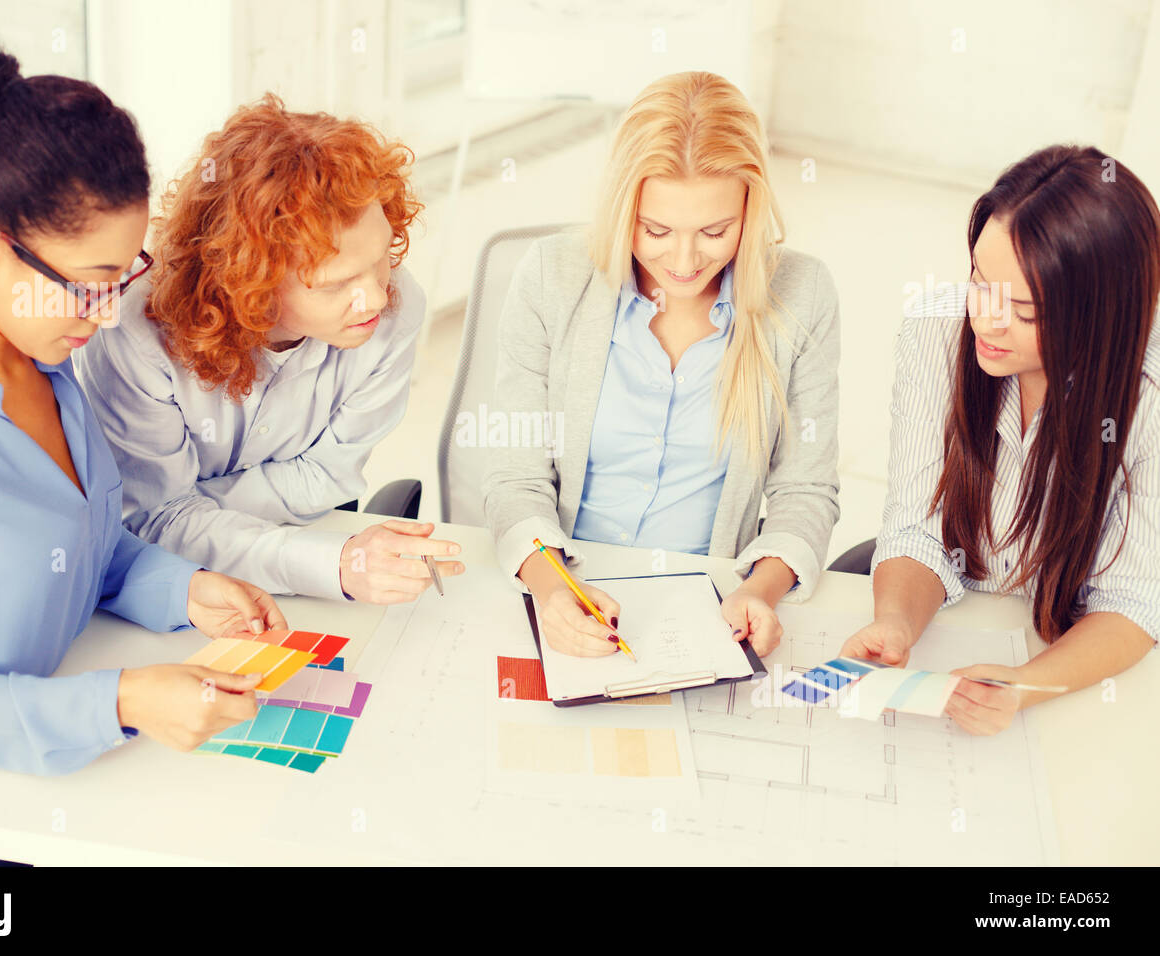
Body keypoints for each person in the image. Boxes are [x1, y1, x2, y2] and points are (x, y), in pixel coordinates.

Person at [0, 43, 289, 837]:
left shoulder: (45, 361)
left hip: (51, 769)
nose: (107, 314)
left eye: (121, 280)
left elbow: (81, 544)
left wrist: (184, 588)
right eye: (89, 284)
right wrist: (122, 700)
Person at [483, 71, 840, 658]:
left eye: (715, 231)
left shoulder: (802, 294)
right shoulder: (551, 276)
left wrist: (761, 591)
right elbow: (514, 475)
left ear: (751, 212)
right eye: (655, 229)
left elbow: (805, 489)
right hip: (569, 585)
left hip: (709, 604)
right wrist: (555, 592)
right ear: (624, 208)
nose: (682, 260)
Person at [73, 95, 463, 605]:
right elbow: (150, 522)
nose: (374, 297)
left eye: (381, 259)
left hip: (305, 547)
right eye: (333, 284)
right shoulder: (135, 330)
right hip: (177, 586)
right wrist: (330, 563)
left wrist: (193, 509)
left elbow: (326, 478)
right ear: (249, 282)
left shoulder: (397, 306)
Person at [844, 145, 1160, 735]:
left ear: (1100, 315)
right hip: (951, 608)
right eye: (979, 282)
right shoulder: (937, 329)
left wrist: (1024, 685)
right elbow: (917, 527)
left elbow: (1132, 604)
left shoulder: (1149, 395)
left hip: (1066, 641)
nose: (986, 320)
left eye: (1025, 310)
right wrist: (895, 623)